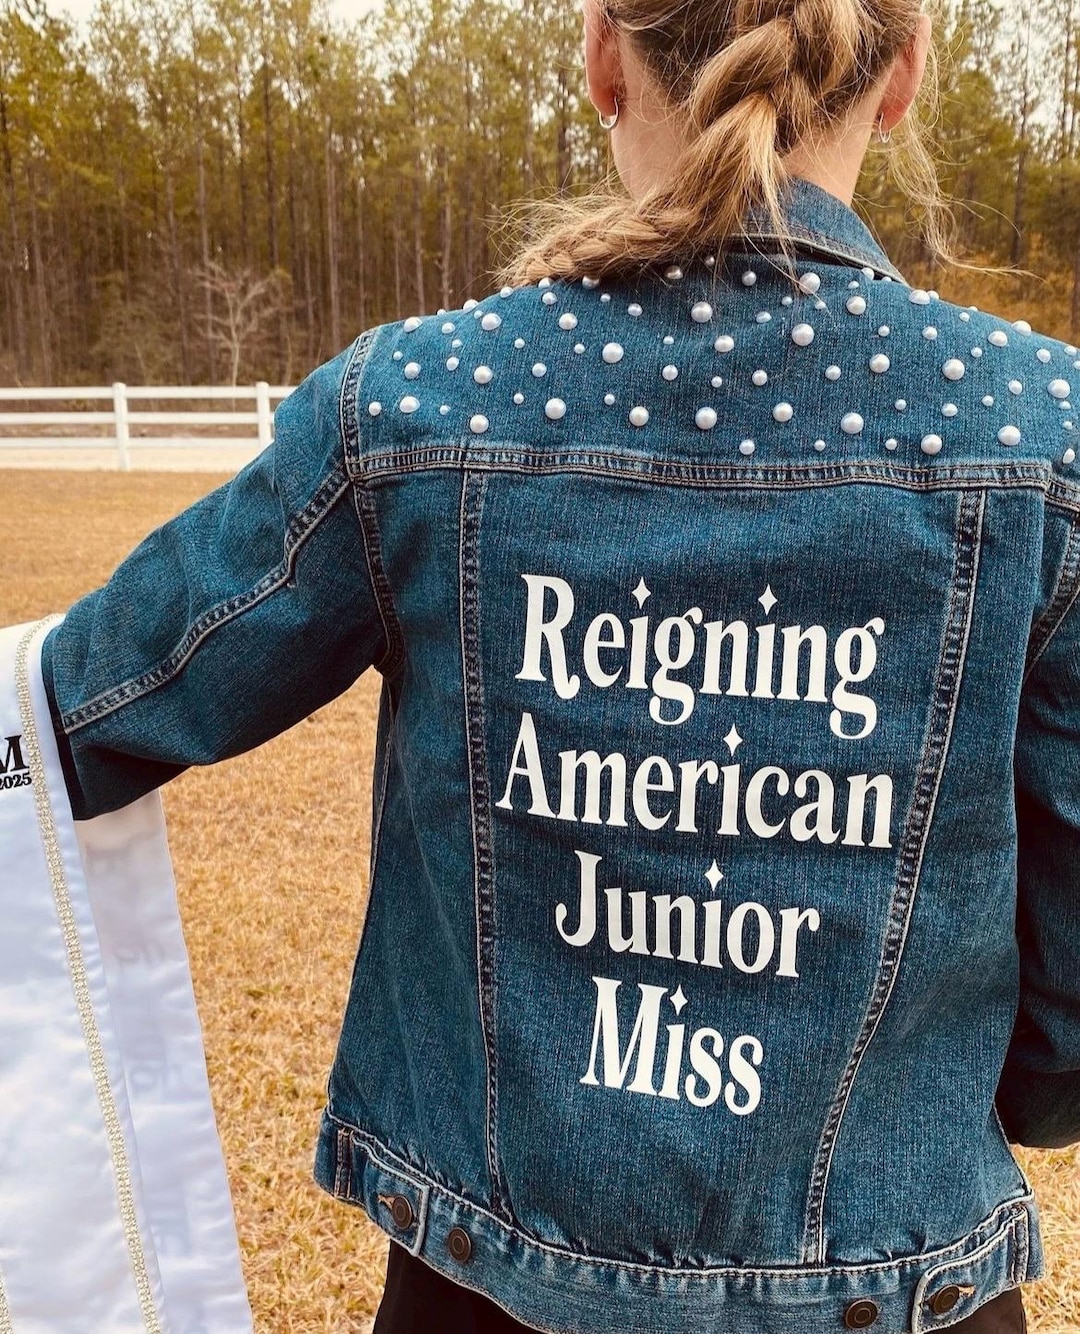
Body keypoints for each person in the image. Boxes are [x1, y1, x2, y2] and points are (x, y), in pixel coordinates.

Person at [33, 0, 1080, 1329]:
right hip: (910, 1295)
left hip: (486, 1299)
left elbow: (93, 702)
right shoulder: (1044, 436)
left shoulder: (416, 405)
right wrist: (972, 1100)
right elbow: (1065, 1012)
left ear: (601, 55)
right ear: (903, 74)